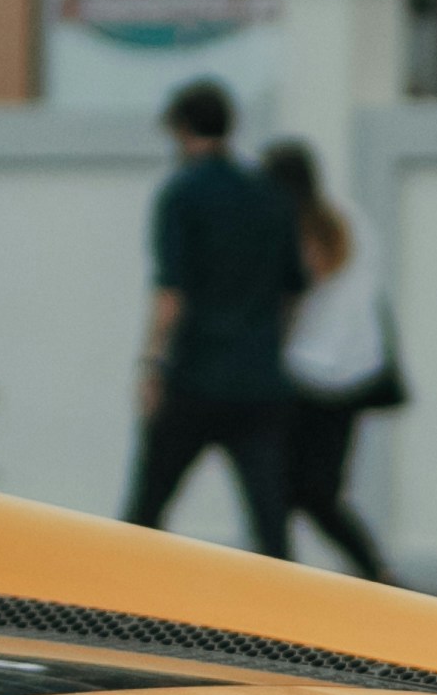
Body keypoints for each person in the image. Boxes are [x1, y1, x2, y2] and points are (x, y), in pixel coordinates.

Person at [126, 80, 304, 555]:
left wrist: (151, 365)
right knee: (270, 526)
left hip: (195, 375)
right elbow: (293, 291)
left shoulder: (182, 194)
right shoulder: (270, 194)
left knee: (145, 512)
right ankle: (282, 621)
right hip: (259, 380)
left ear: (182, 128)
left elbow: (172, 294)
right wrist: (271, 343)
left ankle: (122, 613)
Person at [258, 139, 397, 582]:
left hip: (304, 373)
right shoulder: (353, 220)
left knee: (284, 491)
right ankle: (375, 574)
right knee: (319, 494)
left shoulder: (297, 227)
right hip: (355, 373)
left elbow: (293, 296)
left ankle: (283, 584)